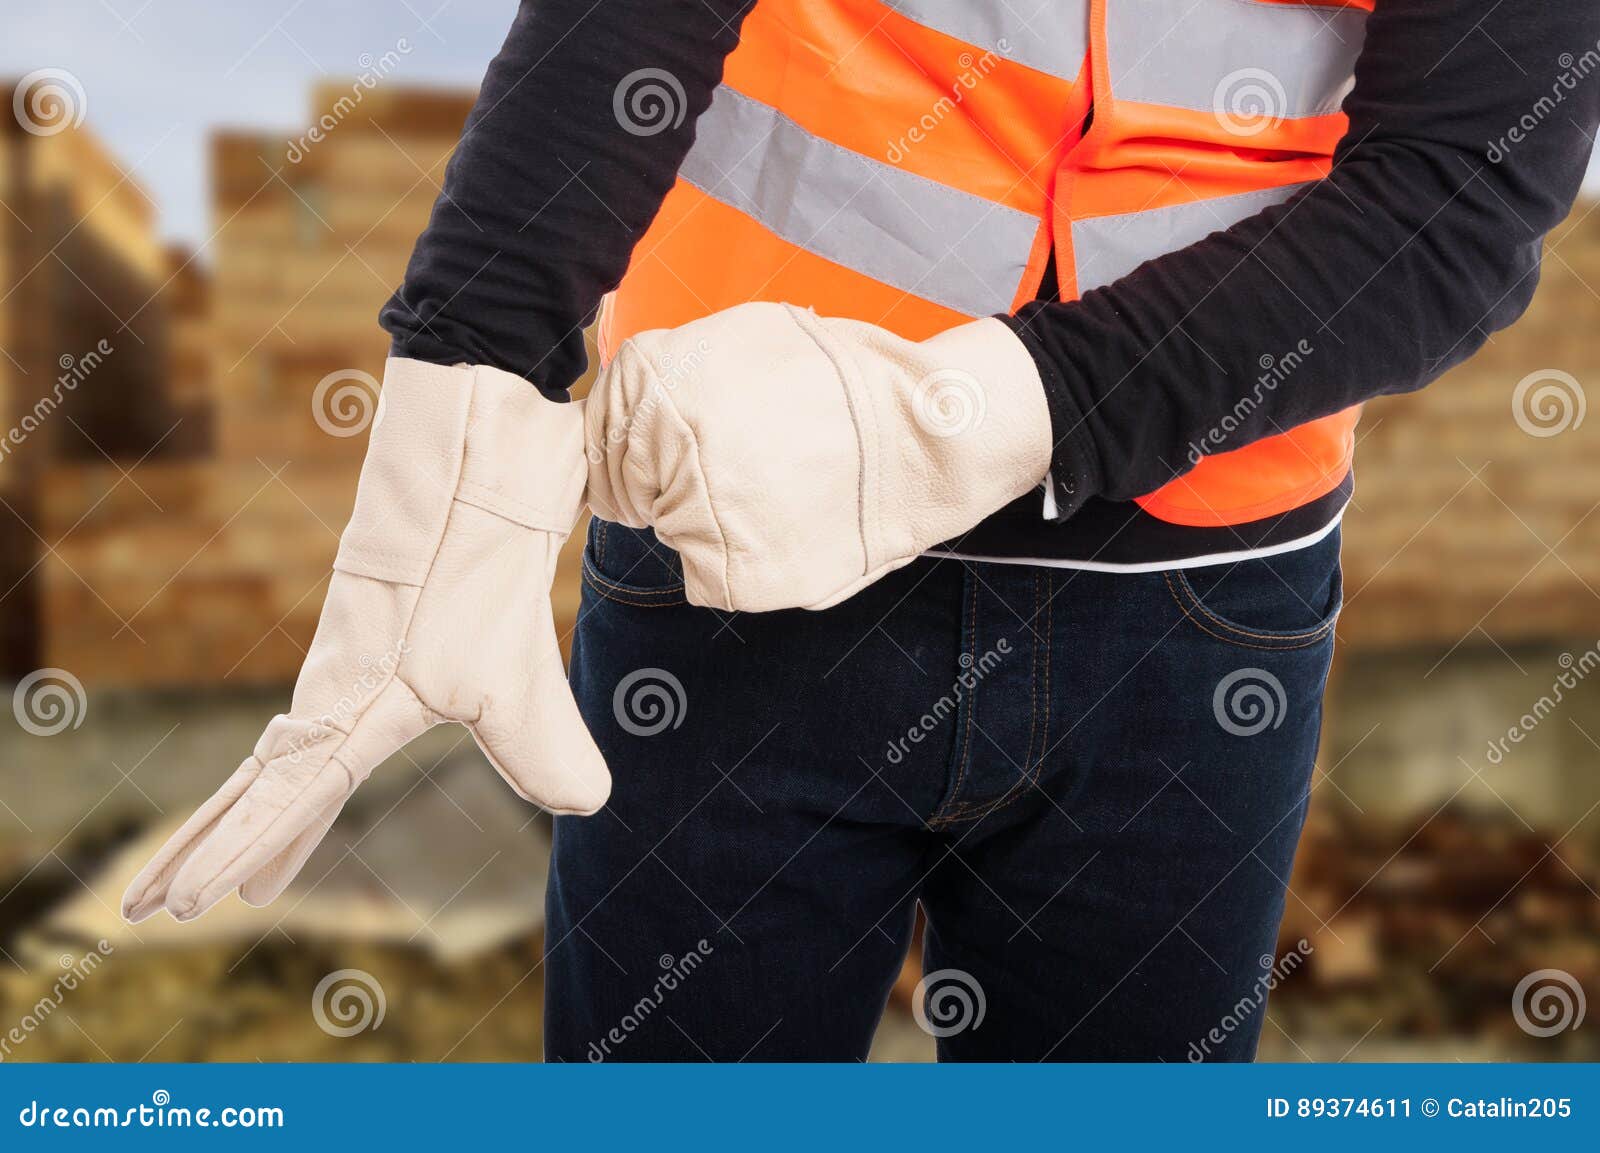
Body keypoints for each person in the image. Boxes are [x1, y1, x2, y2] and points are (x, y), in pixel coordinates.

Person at [124, 0, 1600, 1061]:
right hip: (728, 557)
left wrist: (956, 420)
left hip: (1197, 615)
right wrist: (465, 402)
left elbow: (1460, 198)